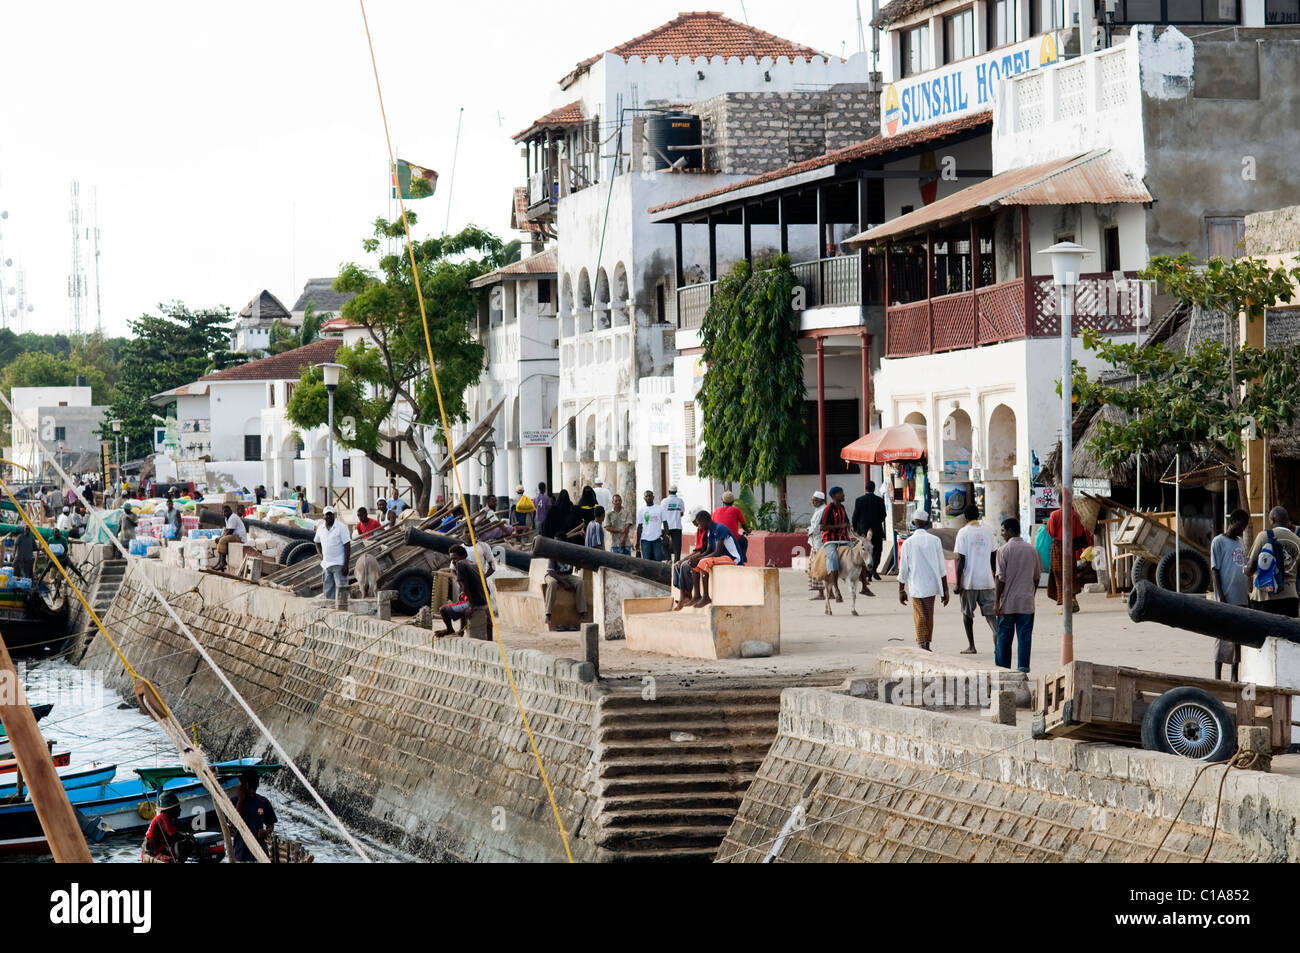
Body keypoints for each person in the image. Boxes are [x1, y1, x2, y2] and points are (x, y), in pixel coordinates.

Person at [897, 509, 948, 651]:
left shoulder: (908, 543)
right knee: (928, 614)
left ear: (913, 523)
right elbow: (941, 567)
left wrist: (901, 590)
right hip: (932, 585)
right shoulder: (935, 541)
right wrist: (945, 590)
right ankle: (926, 643)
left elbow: (903, 569)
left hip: (916, 585)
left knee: (919, 615)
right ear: (927, 523)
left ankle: (922, 643)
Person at [994, 518, 1039, 673]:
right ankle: (1023, 669)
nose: (1002, 534)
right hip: (1026, 603)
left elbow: (1000, 579)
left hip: (1008, 603)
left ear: (1011, 530)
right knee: (1024, 638)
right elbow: (1036, 578)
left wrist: (996, 602)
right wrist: (1031, 594)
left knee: (1004, 639)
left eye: (1003, 530)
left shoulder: (1003, 550)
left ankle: (1003, 669)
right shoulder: (1032, 550)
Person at [1211, 508, 1251, 680]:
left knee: (1238, 637)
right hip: (1226, 596)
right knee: (1222, 636)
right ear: (1233, 522)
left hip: (1241, 595)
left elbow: (1243, 567)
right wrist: (1221, 596)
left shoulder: (1240, 541)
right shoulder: (1218, 541)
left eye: (1244, 527)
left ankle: (1234, 674)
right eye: (1240, 526)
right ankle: (1218, 676)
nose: (1241, 530)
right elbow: (1215, 570)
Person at [954, 503, 998, 655]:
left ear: (965, 518)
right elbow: (994, 555)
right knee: (991, 615)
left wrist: (958, 583)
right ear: (978, 516)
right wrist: (994, 574)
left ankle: (971, 646)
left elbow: (960, 560)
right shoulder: (988, 531)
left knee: (967, 614)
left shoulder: (963, 532)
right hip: (987, 581)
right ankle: (997, 637)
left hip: (969, 582)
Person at [679, 509, 746, 609]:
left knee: (704, 562)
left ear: (704, 521)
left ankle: (706, 597)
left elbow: (717, 552)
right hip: (721, 557)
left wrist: (701, 559)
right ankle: (697, 595)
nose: (699, 527)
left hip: (732, 558)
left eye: (699, 524)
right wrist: (695, 559)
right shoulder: (710, 532)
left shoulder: (720, 529)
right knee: (694, 564)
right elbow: (708, 551)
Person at [1245, 505, 1300, 618]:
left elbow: (1250, 568)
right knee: (1287, 634)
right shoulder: (1298, 541)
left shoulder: (1263, 536)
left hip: (1265, 597)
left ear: (1273, 520)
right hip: (1290, 597)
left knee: (1262, 634)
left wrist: (1245, 571)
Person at [1046, 503, 1091, 614]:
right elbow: (1078, 532)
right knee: (1071, 573)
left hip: (1058, 546)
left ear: (1060, 501)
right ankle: (1073, 600)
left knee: (1059, 575)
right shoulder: (1075, 514)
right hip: (1070, 546)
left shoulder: (1054, 514)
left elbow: (1051, 532)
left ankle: (1066, 604)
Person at [437, 544, 490, 637]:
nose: (453, 562)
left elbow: (465, 587)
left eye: (455, 558)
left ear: (462, 556)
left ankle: (450, 630)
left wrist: (471, 606)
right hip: (483, 601)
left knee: (443, 610)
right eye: (451, 559)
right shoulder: (473, 564)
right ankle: (461, 631)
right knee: (462, 600)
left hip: (476, 603)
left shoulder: (460, 564)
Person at [230, 769, 277, 863]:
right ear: (243, 784)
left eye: (255, 782)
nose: (253, 786)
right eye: (250, 783)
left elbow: (271, 824)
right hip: (241, 851)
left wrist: (266, 832)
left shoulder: (263, 802)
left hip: (260, 850)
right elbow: (232, 824)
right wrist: (241, 801)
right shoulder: (235, 801)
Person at [820, 486, 853, 605]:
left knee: (860, 552)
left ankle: (864, 585)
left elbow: (846, 522)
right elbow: (822, 527)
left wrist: (848, 525)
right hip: (830, 540)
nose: (843, 495)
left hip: (844, 539)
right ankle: (836, 589)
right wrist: (840, 526)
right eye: (841, 493)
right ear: (834, 496)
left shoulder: (843, 508)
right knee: (833, 557)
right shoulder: (828, 509)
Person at [313, 506, 351, 600]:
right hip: (326, 565)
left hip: (339, 564)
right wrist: (320, 555)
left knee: (342, 590)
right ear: (323, 516)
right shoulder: (320, 528)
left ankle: (343, 609)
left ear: (334, 515)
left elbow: (347, 546)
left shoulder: (341, 527)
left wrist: (346, 565)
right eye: (327, 515)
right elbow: (316, 542)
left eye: (331, 514)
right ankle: (331, 609)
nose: (329, 516)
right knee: (328, 590)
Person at [852, 481, 887, 582]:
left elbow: (855, 517)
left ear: (865, 488)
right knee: (877, 551)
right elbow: (883, 516)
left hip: (863, 532)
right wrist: (876, 522)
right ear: (874, 488)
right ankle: (873, 570)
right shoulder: (880, 500)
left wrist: (856, 531)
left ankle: (868, 573)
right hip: (877, 530)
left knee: (865, 552)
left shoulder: (859, 500)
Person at [142, 790, 187, 862]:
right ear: (171, 809)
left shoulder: (166, 818)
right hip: (153, 853)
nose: (180, 810)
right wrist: (187, 836)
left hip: (161, 848)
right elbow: (175, 836)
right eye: (178, 807)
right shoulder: (163, 817)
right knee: (187, 844)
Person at [213, 504, 247, 572]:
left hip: (239, 537)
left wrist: (221, 538)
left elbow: (230, 531)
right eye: (223, 512)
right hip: (234, 535)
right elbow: (226, 530)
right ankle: (220, 561)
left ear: (230, 511)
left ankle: (223, 562)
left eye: (226, 512)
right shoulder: (227, 518)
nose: (225, 513)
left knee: (222, 540)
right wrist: (219, 537)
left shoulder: (233, 517)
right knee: (218, 540)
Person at [807, 490, 827, 601]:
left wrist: (808, 531)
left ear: (821, 500)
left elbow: (815, 528)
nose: (813, 502)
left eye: (815, 500)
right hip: (816, 542)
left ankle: (821, 593)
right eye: (813, 500)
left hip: (818, 542)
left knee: (817, 567)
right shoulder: (819, 509)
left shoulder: (821, 511)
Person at [636, 490, 665, 561]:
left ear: (653, 497)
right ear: (644, 498)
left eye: (650, 496)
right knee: (647, 561)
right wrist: (637, 541)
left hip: (657, 539)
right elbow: (639, 527)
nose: (648, 497)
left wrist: (666, 536)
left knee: (658, 560)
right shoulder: (641, 510)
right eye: (646, 496)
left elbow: (665, 523)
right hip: (645, 540)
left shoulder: (660, 508)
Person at [662, 484, 685, 560]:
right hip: (677, 526)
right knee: (677, 547)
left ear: (669, 491)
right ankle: (676, 562)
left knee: (665, 545)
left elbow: (661, 514)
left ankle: (668, 560)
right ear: (676, 492)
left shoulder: (664, 501)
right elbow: (682, 513)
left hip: (666, 527)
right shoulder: (680, 501)